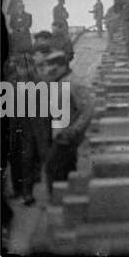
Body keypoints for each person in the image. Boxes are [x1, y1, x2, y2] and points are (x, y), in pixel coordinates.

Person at [4, 31, 51, 205]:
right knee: (22, 158)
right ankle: (23, 192)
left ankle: (29, 192)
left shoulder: (41, 82)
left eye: (25, 63)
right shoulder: (12, 82)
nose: (22, 67)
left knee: (32, 157)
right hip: (20, 124)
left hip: (35, 124)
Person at [40, 48, 96, 191]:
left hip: (67, 136)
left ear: (62, 66)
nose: (49, 70)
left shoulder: (74, 83)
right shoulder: (59, 81)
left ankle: (59, 202)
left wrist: (74, 131)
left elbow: (88, 109)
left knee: (54, 168)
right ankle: (64, 199)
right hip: (59, 133)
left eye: (53, 67)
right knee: (62, 169)